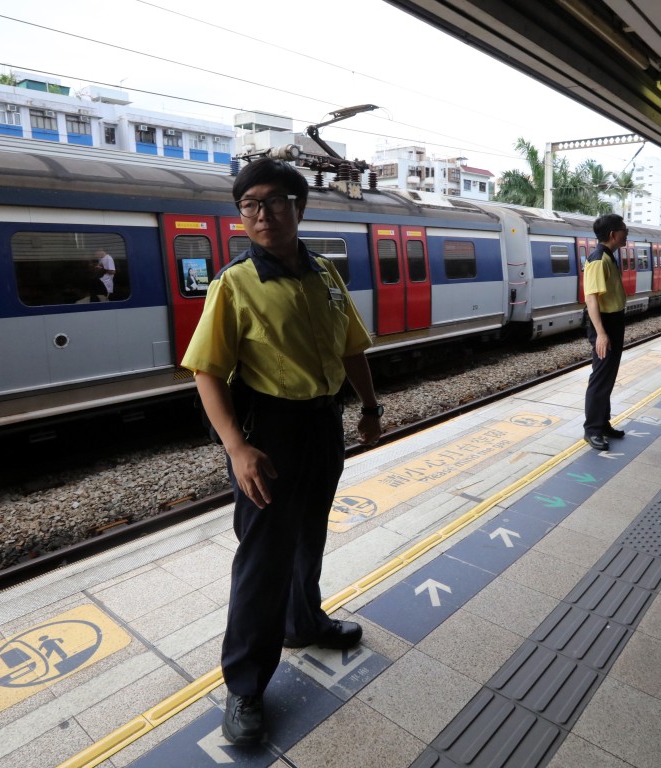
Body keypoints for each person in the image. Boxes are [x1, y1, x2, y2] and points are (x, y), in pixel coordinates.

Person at [180, 158, 383, 746]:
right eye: (250, 205)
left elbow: (352, 349)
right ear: (242, 215)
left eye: (274, 202)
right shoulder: (235, 283)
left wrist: (369, 409)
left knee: (309, 534)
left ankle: (303, 621)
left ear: (300, 206)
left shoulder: (324, 274)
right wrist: (238, 447)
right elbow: (206, 372)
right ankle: (244, 684)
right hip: (269, 433)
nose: (262, 214)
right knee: (263, 559)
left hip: (323, 424)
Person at [583, 213, 628, 450]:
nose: (626, 234)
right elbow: (591, 299)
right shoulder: (599, 259)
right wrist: (601, 333)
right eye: (623, 230)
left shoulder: (608, 256)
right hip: (605, 323)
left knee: (608, 376)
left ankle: (603, 423)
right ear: (613, 234)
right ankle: (592, 430)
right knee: (600, 378)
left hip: (613, 321)